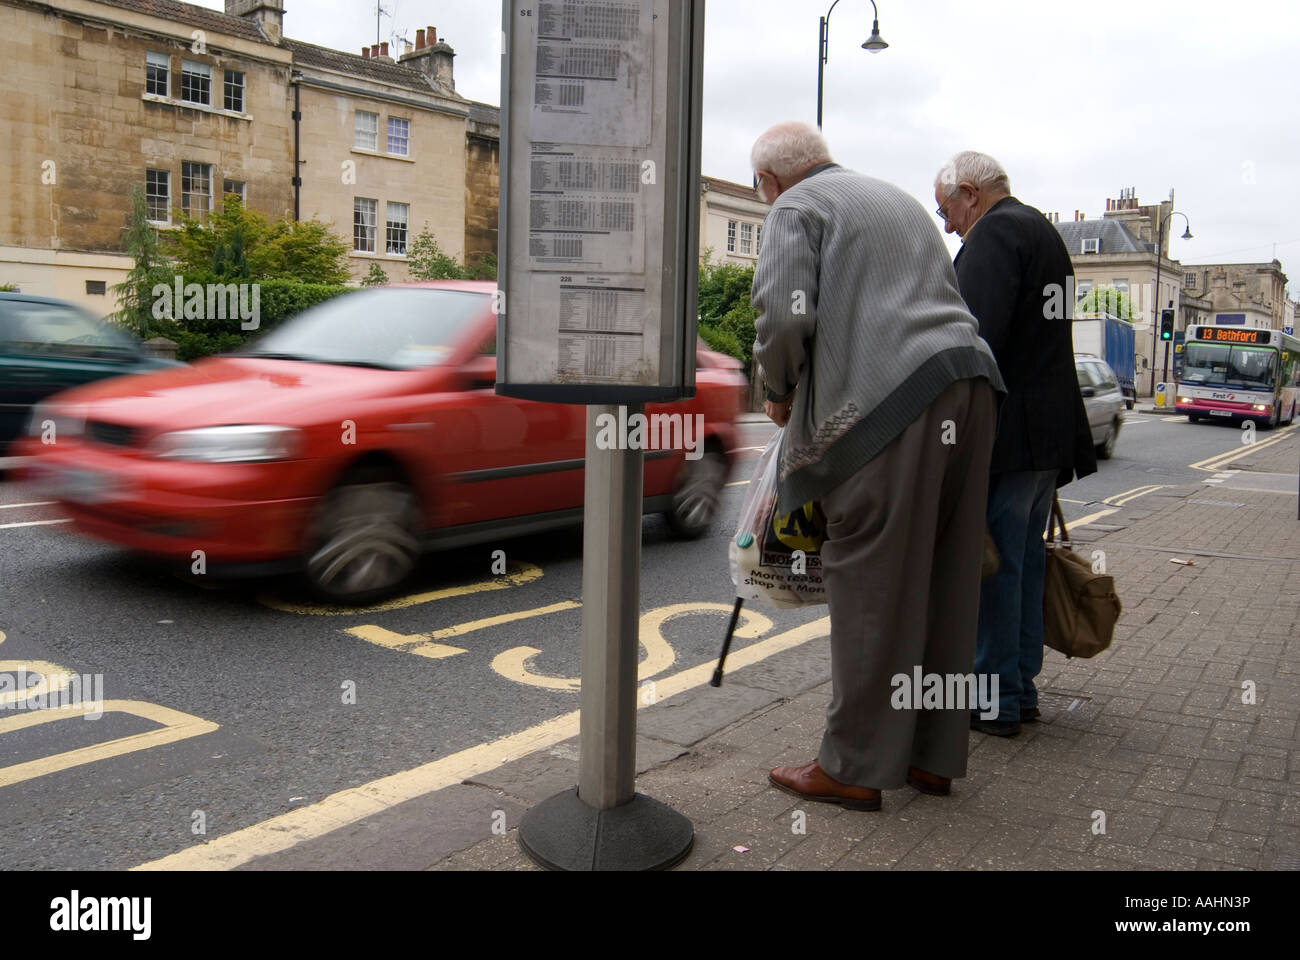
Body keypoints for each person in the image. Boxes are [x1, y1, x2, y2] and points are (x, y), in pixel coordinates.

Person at [752, 122, 1005, 811]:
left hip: (892, 403)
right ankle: (930, 753)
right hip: (972, 383)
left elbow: (781, 311)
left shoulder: (795, 208)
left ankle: (855, 766)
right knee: (946, 578)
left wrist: (777, 389)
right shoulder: (895, 199)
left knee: (870, 582)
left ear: (771, 182)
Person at [933, 151, 1097, 737]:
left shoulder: (995, 235)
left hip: (1009, 435)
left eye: (946, 208)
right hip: (1049, 432)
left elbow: (974, 341)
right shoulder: (1042, 231)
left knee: (994, 567)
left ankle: (993, 700)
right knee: (1023, 563)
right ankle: (1020, 687)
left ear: (970, 193)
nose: (948, 224)